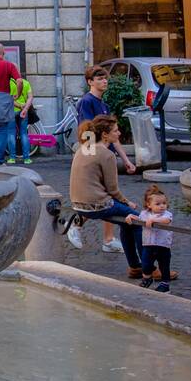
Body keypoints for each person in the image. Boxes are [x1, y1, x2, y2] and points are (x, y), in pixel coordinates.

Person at [69, 114, 144, 278]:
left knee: (127, 223)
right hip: (97, 205)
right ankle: (148, 268)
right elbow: (113, 190)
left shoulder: (84, 148)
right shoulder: (107, 154)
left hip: (77, 204)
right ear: (105, 134)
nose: (119, 134)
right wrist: (127, 203)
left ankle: (135, 267)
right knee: (138, 220)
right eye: (116, 131)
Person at [77, 65, 136, 252]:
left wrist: (126, 159)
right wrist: (89, 155)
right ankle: (76, 226)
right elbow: (85, 130)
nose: (104, 81)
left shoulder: (104, 104)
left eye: (105, 79)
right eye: (100, 78)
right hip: (95, 157)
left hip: (105, 156)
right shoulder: (86, 102)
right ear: (90, 82)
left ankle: (108, 239)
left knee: (105, 196)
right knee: (98, 196)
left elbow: (114, 136)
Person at [138, 185, 178, 291]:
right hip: (148, 245)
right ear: (148, 205)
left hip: (163, 245)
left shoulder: (167, 214)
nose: (162, 206)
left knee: (164, 266)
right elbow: (139, 219)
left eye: (164, 203)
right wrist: (131, 217)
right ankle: (147, 278)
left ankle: (165, 284)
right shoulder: (144, 214)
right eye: (158, 204)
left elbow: (166, 221)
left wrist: (155, 221)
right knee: (146, 264)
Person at [2, 70, 34, 165]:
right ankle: (26, 158)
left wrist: (19, 106)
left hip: (11, 111)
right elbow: (30, 97)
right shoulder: (26, 83)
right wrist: (25, 108)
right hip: (23, 110)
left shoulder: (9, 83)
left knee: (11, 133)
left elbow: (9, 99)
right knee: (24, 133)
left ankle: (12, 158)